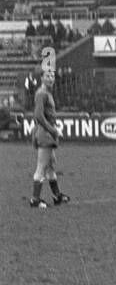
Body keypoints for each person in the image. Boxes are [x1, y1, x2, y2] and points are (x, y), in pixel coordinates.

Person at [29, 69, 70, 208]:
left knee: (51, 164)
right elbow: (38, 116)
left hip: (47, 133)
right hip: (45, 134)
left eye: (52, 76)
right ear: (41, 78)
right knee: (41, 167)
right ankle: (35, 199)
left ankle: (57, 196)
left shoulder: (46, 93)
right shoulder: (41, 94)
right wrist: (53, 130)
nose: (51, 78)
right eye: (47, 76)